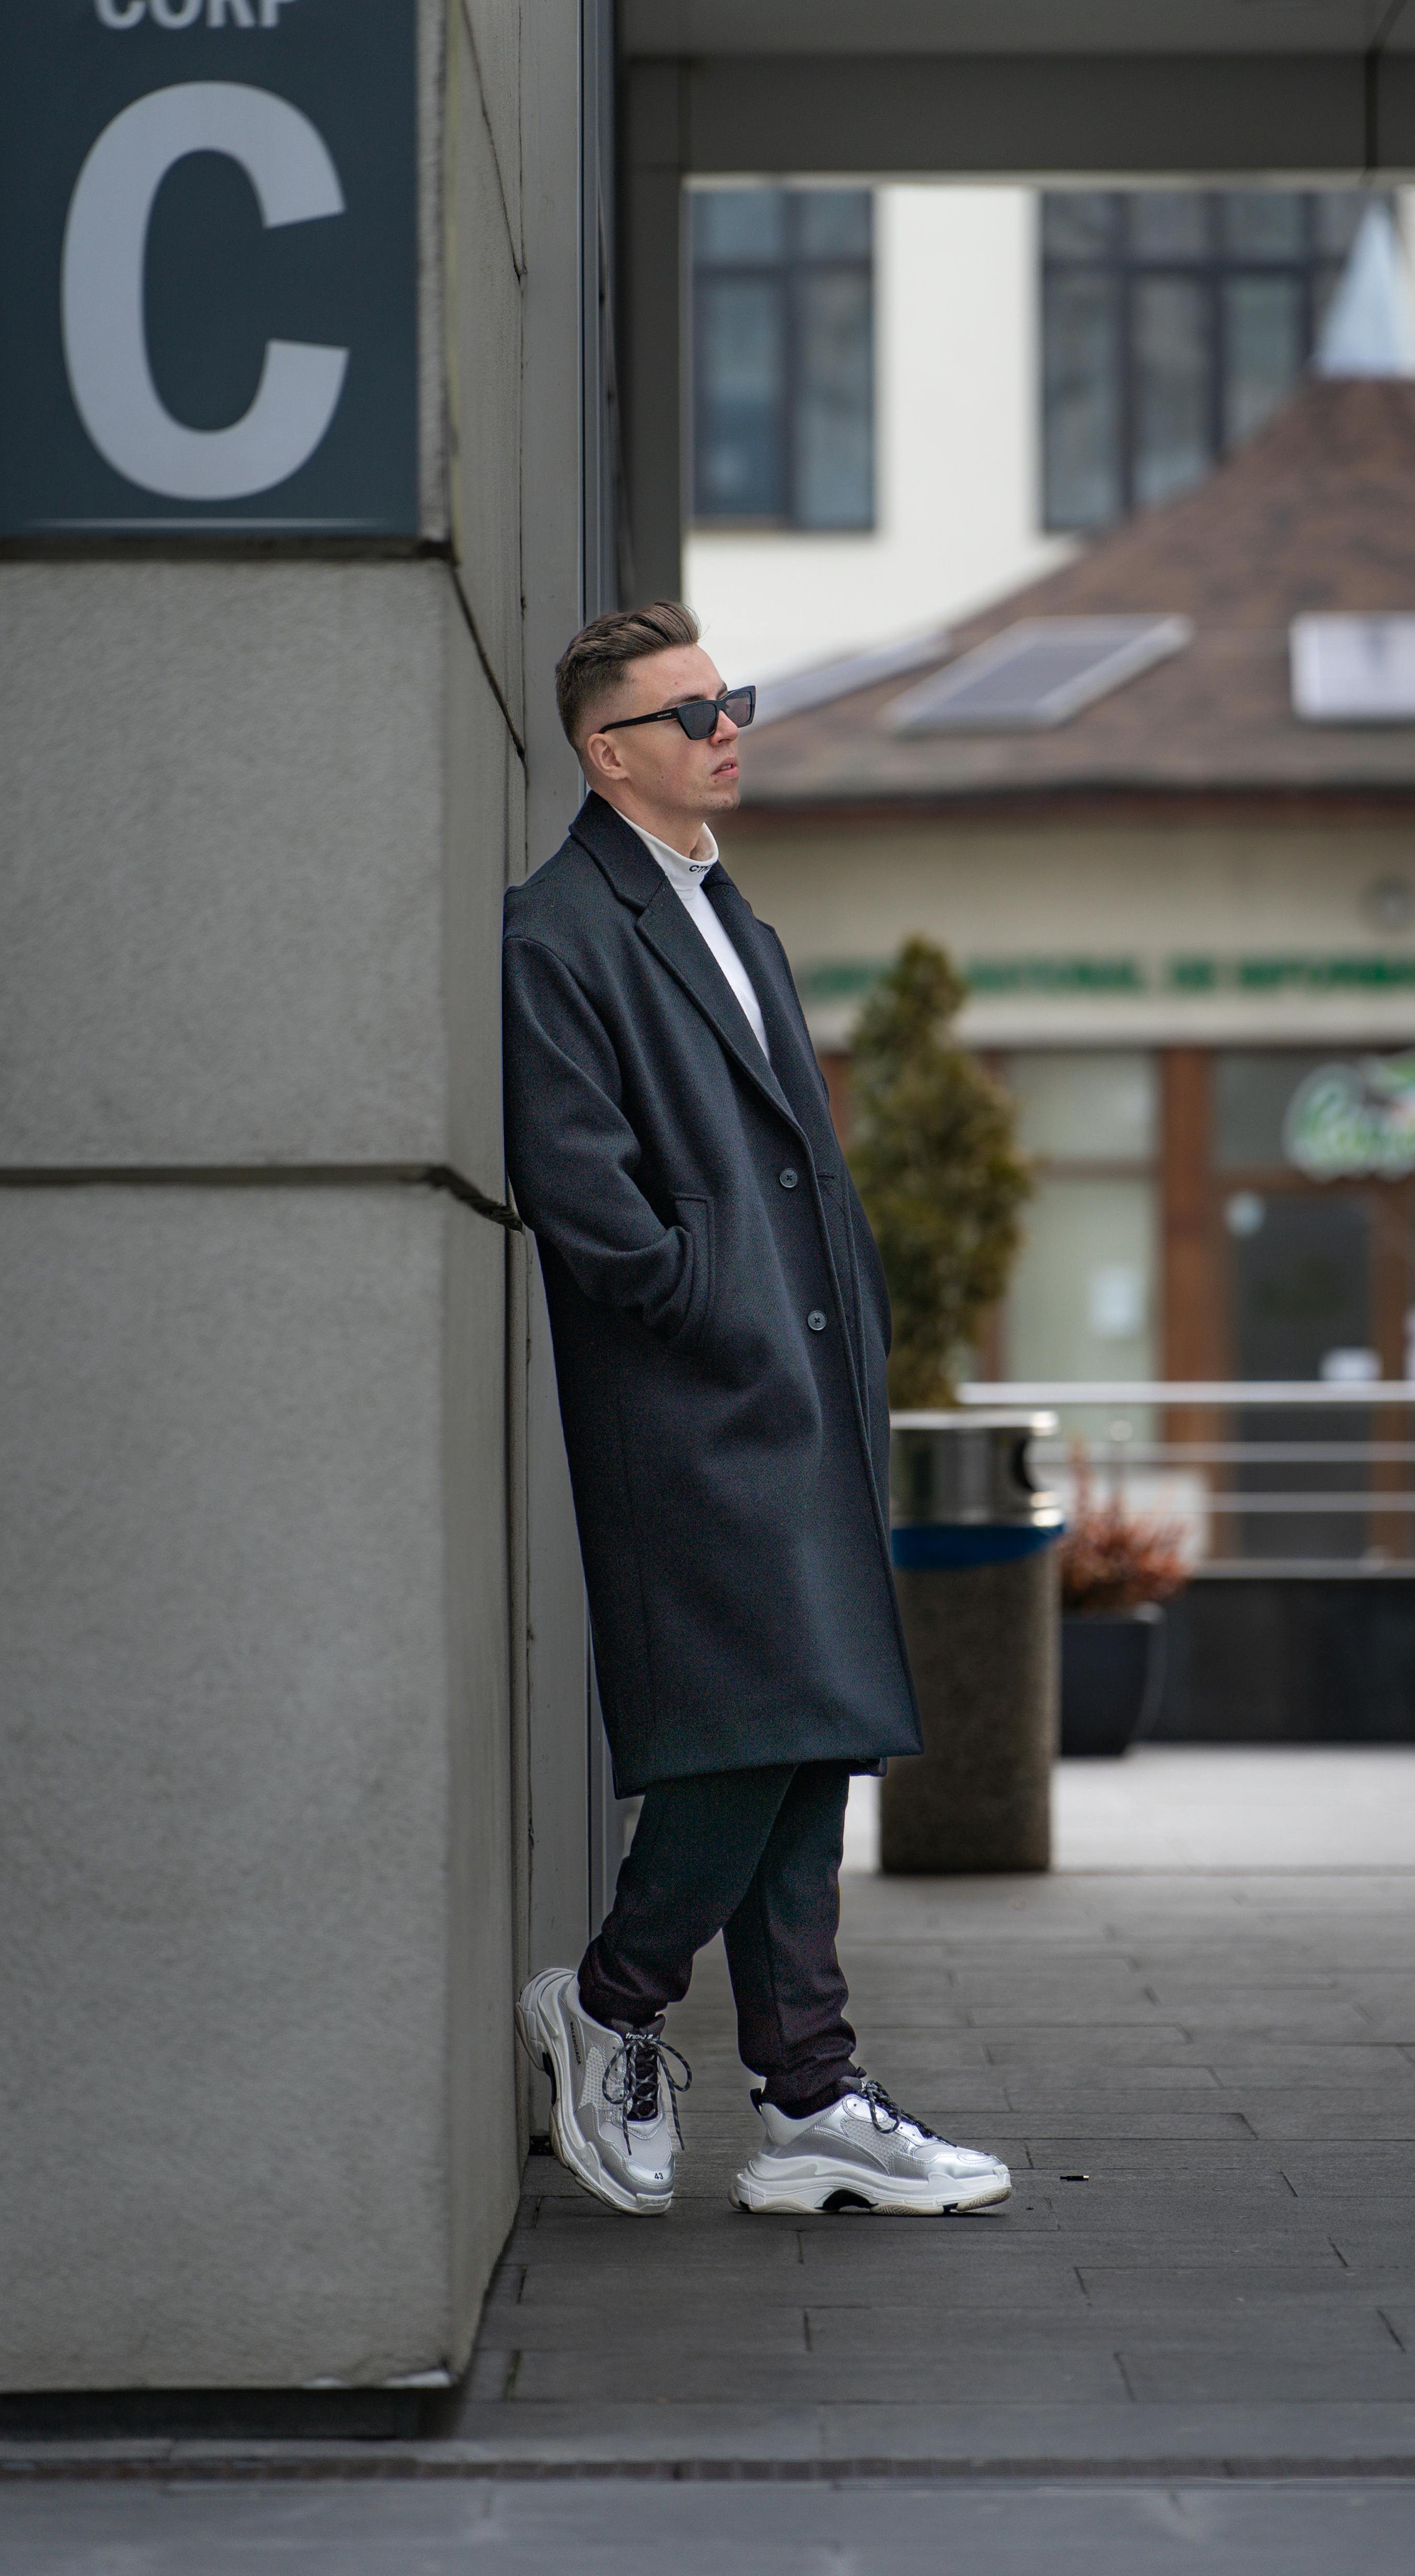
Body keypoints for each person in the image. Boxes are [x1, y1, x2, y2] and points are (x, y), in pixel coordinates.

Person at [502, 600, 1012, 2218]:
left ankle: (808, 2096)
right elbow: (588, 1202)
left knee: (814, 1739)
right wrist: (708, 1298)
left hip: (794, 1393)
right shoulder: (561, 929)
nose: (731, 724)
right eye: (692, 708)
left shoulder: (736, 918)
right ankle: (610, 2003)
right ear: (608, 750)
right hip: (695, 1406)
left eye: (734, 696)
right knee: (750, 1734)